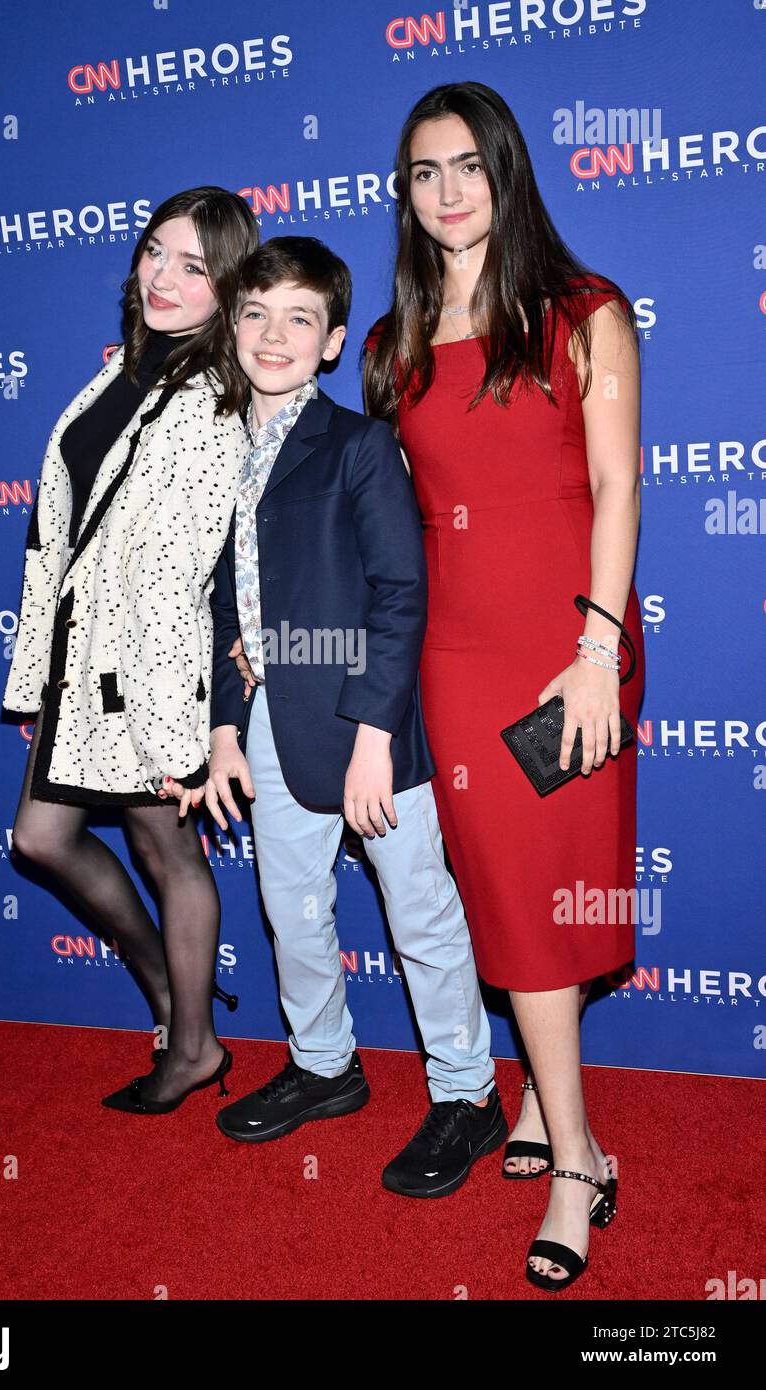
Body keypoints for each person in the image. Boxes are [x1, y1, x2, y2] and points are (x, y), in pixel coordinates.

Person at [363, 82, 645, 1289]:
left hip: (567, 648)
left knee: (550, 905)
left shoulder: (583, 312)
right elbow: (390, 528)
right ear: (405, 193)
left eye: (468, 165)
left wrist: (594, 648)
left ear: (508, 171)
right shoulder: (391, 345)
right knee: (513, 908)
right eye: (424, 172)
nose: (448, 191)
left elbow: (617, 490)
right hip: (453, 658)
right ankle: (542, 1104)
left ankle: (577, 1159)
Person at [202, 236, 504, 1198]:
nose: (274, 334)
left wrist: (377, 737)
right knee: (292, 910)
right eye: (255, 314)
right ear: (232, 328)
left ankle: (468, 1094)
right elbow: (222, 606)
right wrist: (220, 727)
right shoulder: (218, 453)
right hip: (269, 724)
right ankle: (326, 1065)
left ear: (333, 341)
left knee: (420, 914)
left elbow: (398, 594)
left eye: (300, 317)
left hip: (373, 732)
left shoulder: (360, 445)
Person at [2, 187, 258, 1115]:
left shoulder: (212, 397)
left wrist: (167, 727)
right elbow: (56, 536)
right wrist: (41, 668)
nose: (166, 276)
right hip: (82, 660)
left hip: (146, 676)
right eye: (157, 252)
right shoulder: (121, 372)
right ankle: (171, 994)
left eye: (196, 266)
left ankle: (191, 1044)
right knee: (42, 838)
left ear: (229, 289)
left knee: (169, 855)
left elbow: (182, 573)